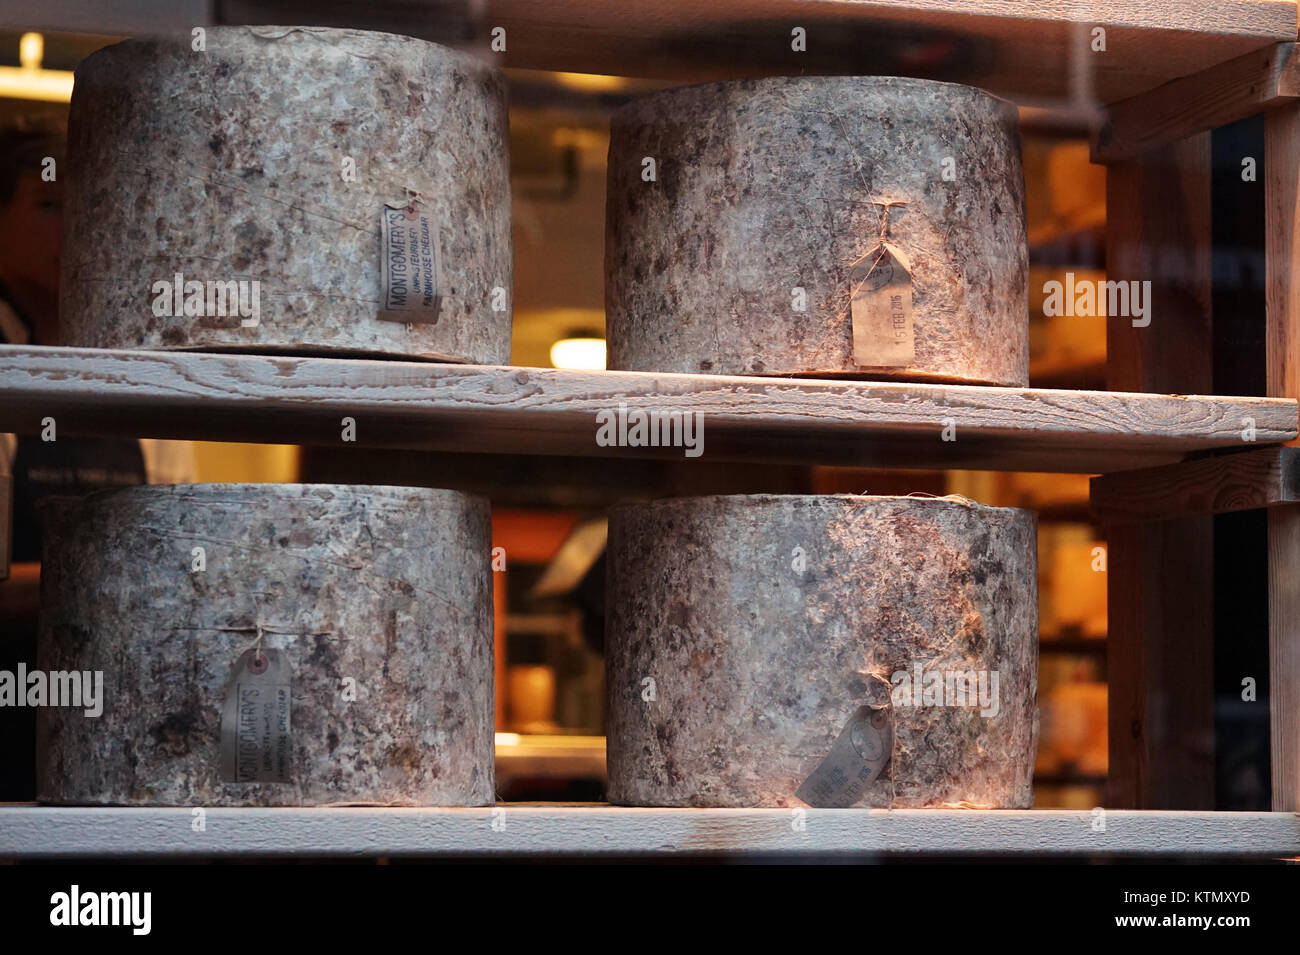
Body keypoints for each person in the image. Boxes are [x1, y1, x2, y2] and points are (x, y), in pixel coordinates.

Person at [0, 116, 196, 799]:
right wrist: (111, 580)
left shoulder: (142, 376)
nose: (73, 227)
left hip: (115, 727)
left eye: (86, 205)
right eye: (49, 205)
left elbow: (179, 559)